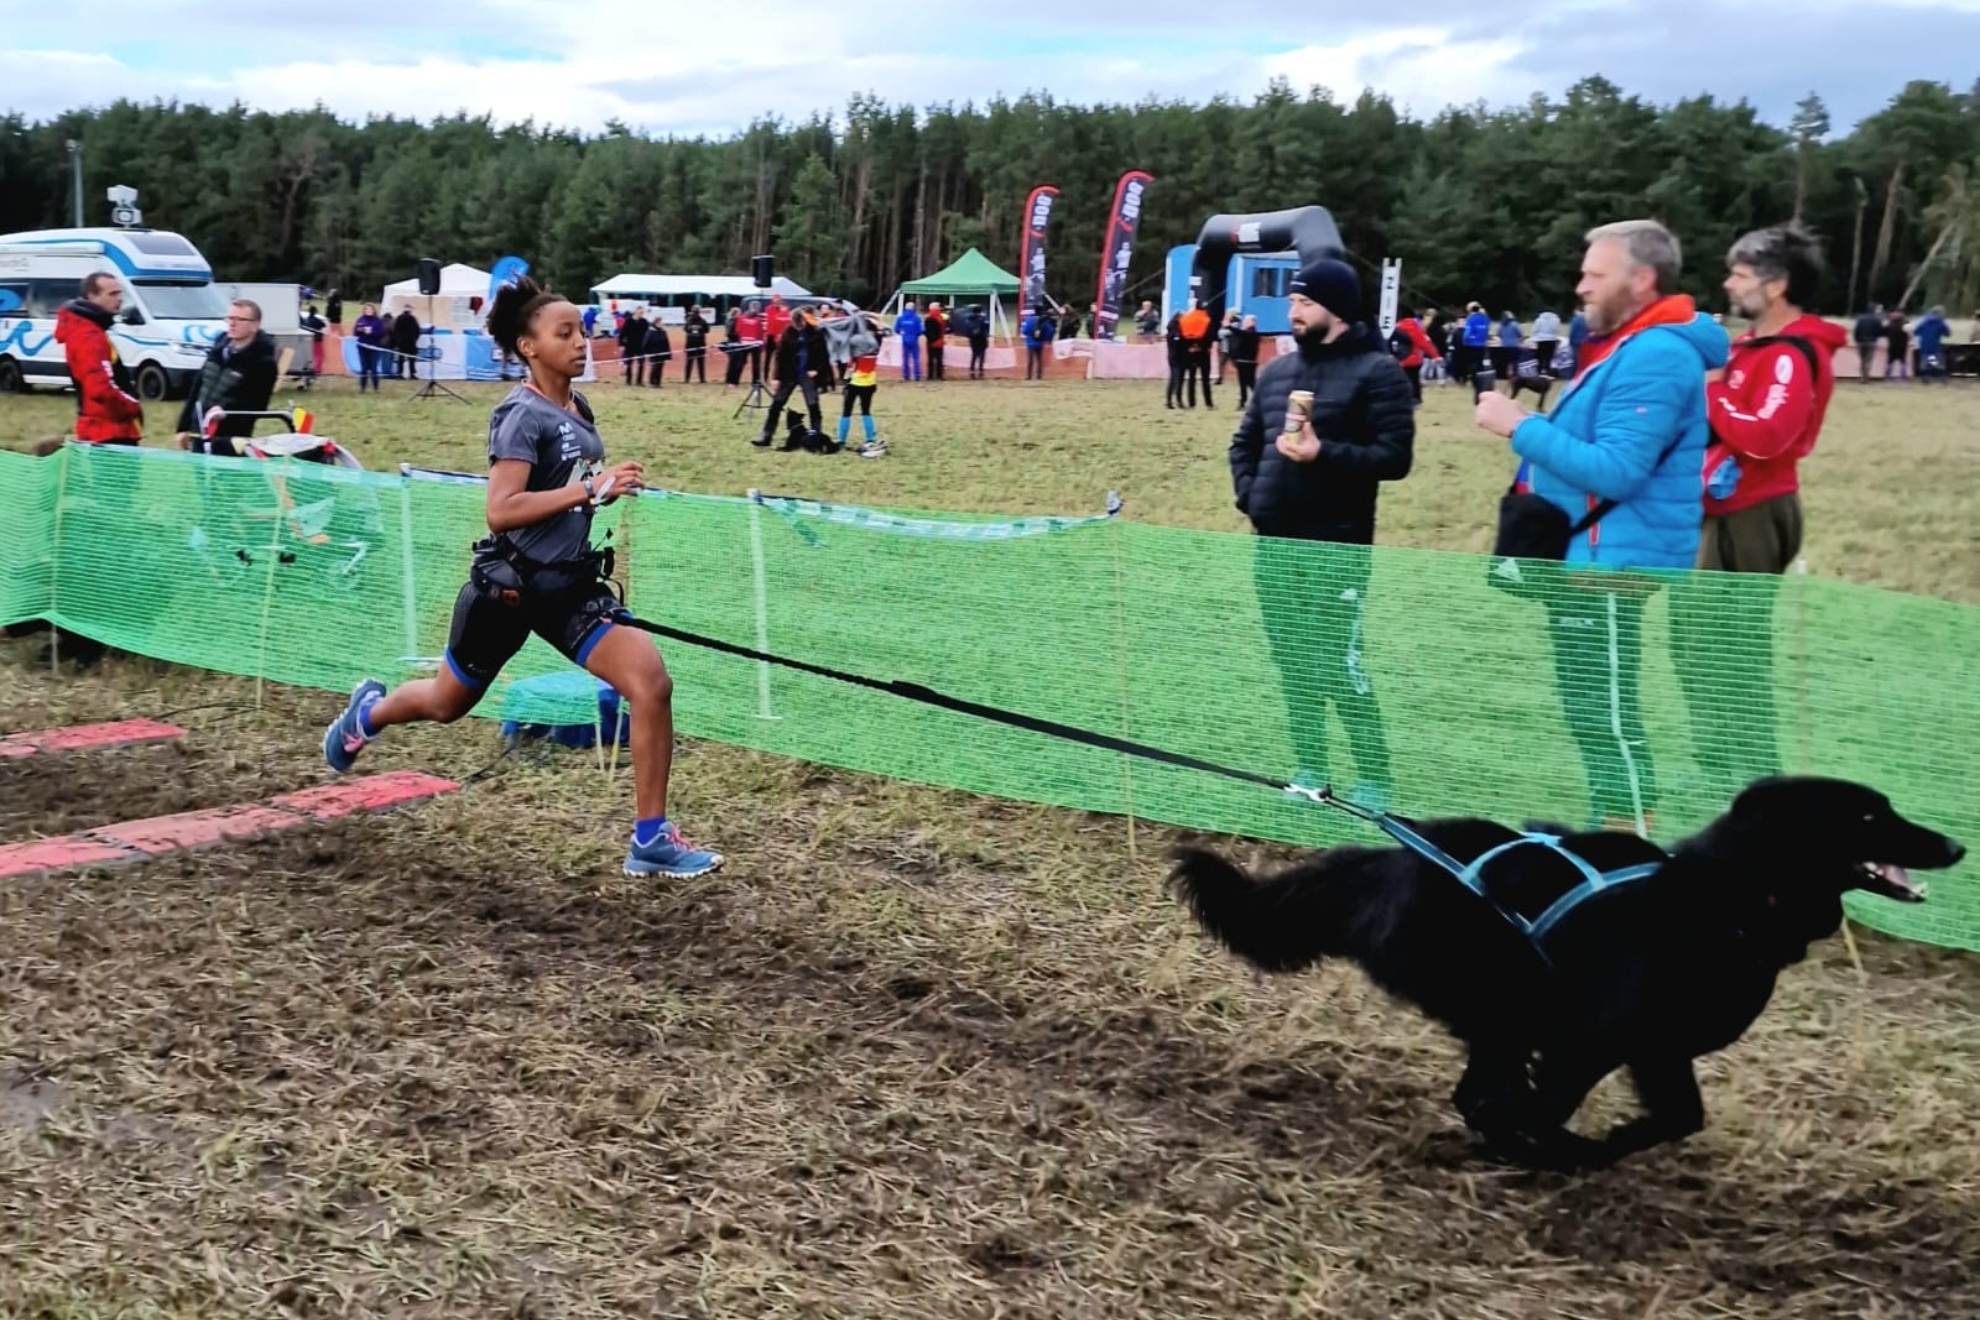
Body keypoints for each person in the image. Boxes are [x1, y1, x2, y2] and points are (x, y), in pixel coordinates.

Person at [320, 276, 722, 880]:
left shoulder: (578, 408)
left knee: (651, 683)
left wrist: (600, 492)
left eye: (582, 331)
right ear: (528, 346)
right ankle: (368, 715)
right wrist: (588, 488)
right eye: (564, 334)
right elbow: (501, 509)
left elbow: (563, 496)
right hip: (507, 591)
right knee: (445, 703)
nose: (580, 342)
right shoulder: (518, 414)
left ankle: (650, 839)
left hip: (566, 592)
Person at [1473, 219, 1727, 834]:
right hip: (1589, 559)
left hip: (1611, 566)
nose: (1580, 286)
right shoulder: (1631, 347)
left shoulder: (1659, 354)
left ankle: (1628, 845)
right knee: (1591, 706)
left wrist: (1519, 426)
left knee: (1606, 710)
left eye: (1595, 273)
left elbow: (1617, 470)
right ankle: (1611, 829)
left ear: (1642, 279)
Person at [1667, 221, 1842, 801]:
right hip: (1716, 509)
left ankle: (1754, 776)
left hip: (1752, 512)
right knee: (1695, 638)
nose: (1728, 283)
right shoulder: (1749, 349)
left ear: (1776, 286)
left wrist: (1713, 388)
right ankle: (1718, 763)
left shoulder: (1791, 355)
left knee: (1732, 647)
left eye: (1739, 274)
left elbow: (1767, 437)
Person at [1230, 258, 1413, 809]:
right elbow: (1243, 443)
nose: (1292, 312)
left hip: (1337, 544)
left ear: (1336, 309)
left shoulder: (1378, 372)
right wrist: (1252, 495)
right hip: (1274, 544)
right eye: (1292, 302)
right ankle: (1310, 765)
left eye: (1304, 303)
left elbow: (1395, 457)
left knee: (1339, 662)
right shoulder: (1276, 373)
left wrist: (1322, 453)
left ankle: (1374, 776)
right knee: (1291, 661)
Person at [175, 300, 279, 456]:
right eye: (229, 318)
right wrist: (183, 427)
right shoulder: (219, 346)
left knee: (222, 479)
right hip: (199, 432)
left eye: (239, 319)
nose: (232, 323)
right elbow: (198, 387)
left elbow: (257, 406)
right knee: (201, 479)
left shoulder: (263, 363)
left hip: (230, 440)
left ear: (254, 325)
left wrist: (227, 412)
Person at [54, 272, 143, 445]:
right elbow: (100, 389)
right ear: (92, 297)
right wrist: (131, 405)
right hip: (107, 432)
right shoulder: (89, 335)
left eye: (120, 293)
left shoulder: (91, 329)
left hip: (106, 428)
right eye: (112, 294)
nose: (120, 299)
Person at [754, 306, 832, 448]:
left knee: (813, 405)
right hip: (789, 374)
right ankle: (766, 435)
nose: (798, 328)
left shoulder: (815, 333)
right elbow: (780, 355)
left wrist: (816, 369)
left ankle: (816, 436)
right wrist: (776, 377)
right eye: (796, 326)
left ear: (805, 321)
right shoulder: (787, 333)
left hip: (807, 373)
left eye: (800, 325)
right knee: (776, 404)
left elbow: (823, 354)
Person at [1388, 308, 1442, 406]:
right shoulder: (1417, 328)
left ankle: (1403, 398)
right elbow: (1425, 343)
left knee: (1402, 381)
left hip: (1401, 360)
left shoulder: (1397, 327)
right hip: (1415, 360)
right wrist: (1435, 356)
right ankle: (1416, 400)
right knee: (1415, 380)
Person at [352, 302, 391, 393]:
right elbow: (355, 332)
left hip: (374, 348)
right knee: (364, 369)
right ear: (364, 310)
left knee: (374, 369)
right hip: (362, 347)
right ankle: (362, 388)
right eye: (366, 309)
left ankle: (376, 389)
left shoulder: (377, 321)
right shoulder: (360, 319)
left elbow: (381, 333)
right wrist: (361, 330)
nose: (368, 311)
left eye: (370, 309)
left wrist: (372, 332)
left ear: (373, 310)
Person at [1228, 313, 1261, 408]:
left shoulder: (1251, 334)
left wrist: (1229, 326)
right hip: (1243, 362)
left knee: (1250, 383)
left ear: (1252, 322)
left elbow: (1240, 333)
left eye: (1246, 321)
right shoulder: (1248, 333)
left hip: (1247, 362)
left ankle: (1247, 401)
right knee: (1246, 383)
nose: (1244, 323)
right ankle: (1244, 401)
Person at [1914, 305, 1951, 381]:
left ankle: (1925, 375)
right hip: (1935, 345)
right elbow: (1948, 334)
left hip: (1924, 344)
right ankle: (1941, 375)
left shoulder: (1924, 322)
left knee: (1925, 359)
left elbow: (1916, 332)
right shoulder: (1940, 323)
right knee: (1938, 359)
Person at [1021, 303, 1054, 380]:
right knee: (1039, 360)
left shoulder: (1029, 320)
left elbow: (1024, 331)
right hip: (1040, 343)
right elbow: (1050, 330)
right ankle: (1039, 376)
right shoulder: (1044, 321)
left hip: (1030, 343)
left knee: (1030, 360)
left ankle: (1029, 376)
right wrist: (1046, 339)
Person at [894, 301, 923, 381]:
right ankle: (917, 376)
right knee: (916, 358)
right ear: (914, 308)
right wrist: (915, 335)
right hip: (914, 339)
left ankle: (906, 375)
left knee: (905, 358)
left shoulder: (900, 318)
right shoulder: (917, 318)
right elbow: (921, 330)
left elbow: (896, 329)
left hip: (904, 339)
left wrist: (902, 333)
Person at [681, 306, 709, 383]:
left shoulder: (703, 321)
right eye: (695, 311)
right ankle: (687, 379)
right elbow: (685, 329)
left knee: (700, 362)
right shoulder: (688, 320)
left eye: (697, 312)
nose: (696, 313)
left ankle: (702, 379)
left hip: (700, 344)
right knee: (689, 362)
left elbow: (707, 330)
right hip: (690, 344)